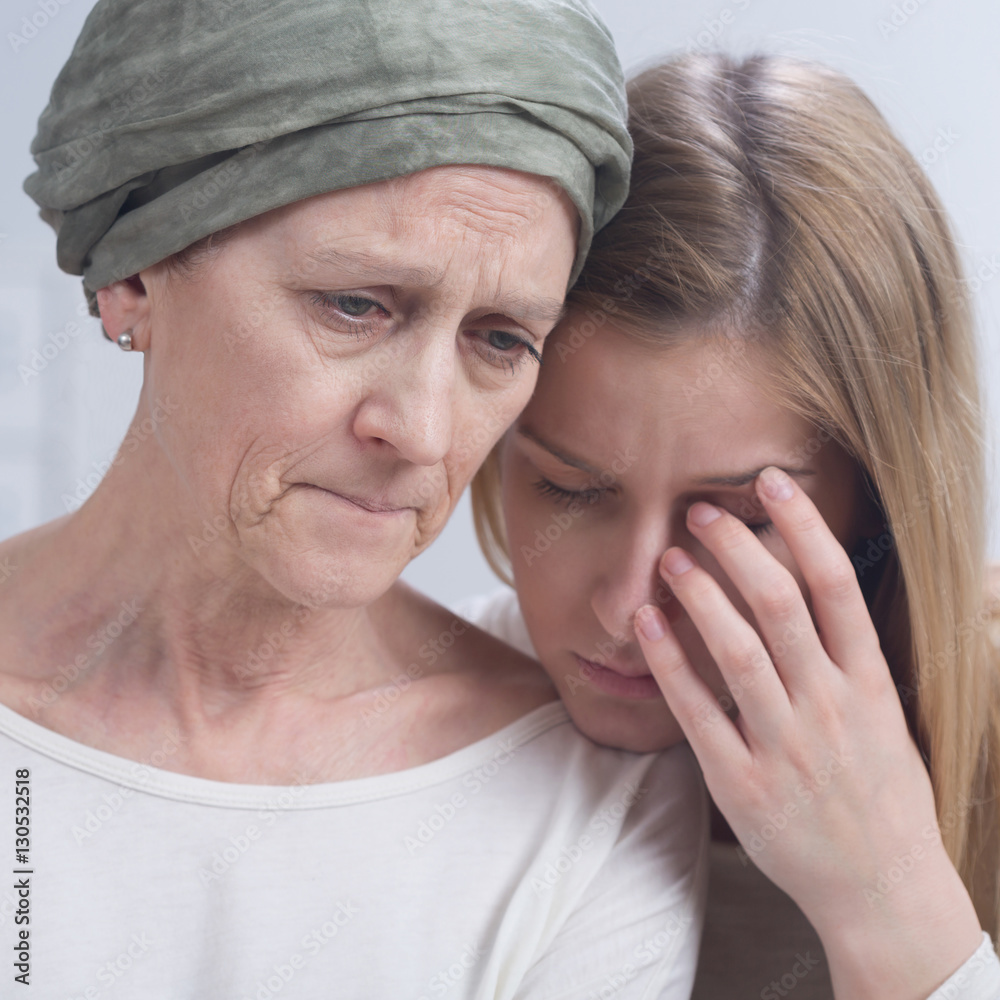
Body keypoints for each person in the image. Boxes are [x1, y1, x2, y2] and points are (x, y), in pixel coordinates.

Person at [0, 2, 709, 996]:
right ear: (132, 274)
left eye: (499, 339)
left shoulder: (584, 801)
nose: (421, 431)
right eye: (354, 304)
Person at [467, 52, 1000, 998]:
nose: (631, 606)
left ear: (881, 499)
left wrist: (895, 909)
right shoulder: (437, 738)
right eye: (569, 489)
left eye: (737, 520)